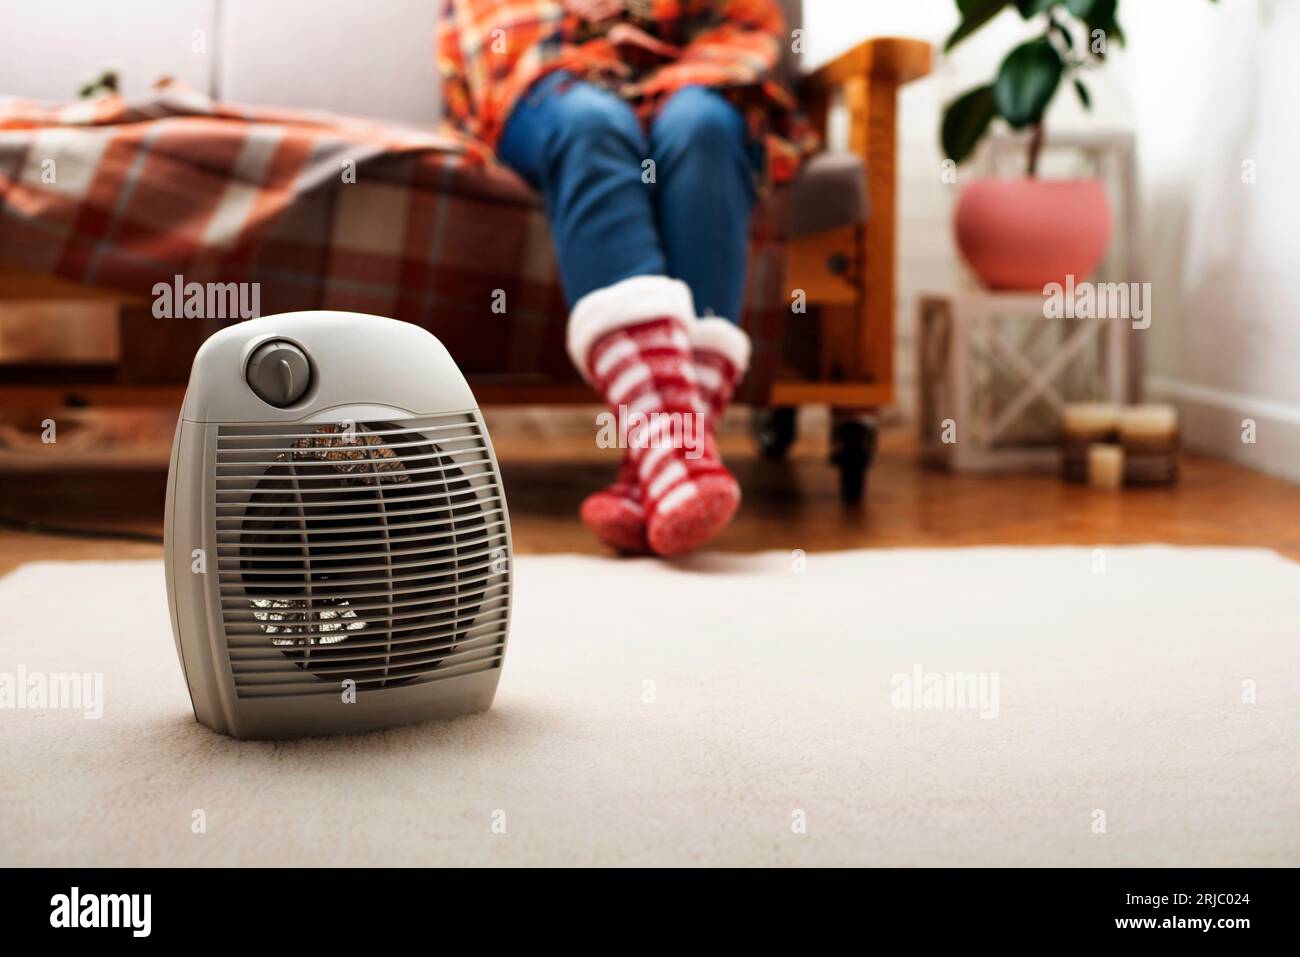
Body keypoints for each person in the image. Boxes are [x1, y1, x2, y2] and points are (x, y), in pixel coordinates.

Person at [438, 0, 813, 555]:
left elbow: (741, 32)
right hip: (545, 76)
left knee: (704, 127)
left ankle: (655, 473)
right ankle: (678, 457)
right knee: (592, 122)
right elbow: (501, 38)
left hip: (692, 79)